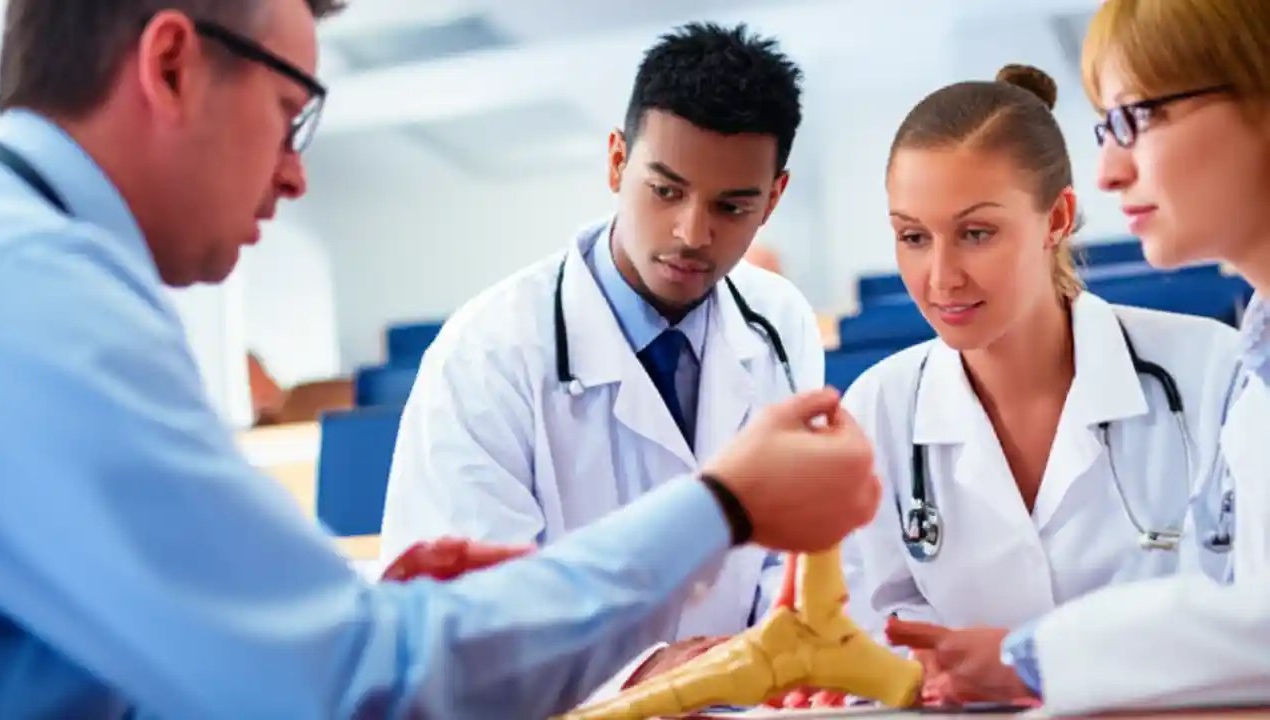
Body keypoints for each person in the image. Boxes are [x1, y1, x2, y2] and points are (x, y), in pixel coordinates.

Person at [0, 1, 885, 717]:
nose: (297, 176)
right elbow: (357, 682)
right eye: (288, 117)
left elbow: (131, 672)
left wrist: (397, 620)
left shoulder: (37, 276)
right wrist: (721, 505)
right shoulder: (39, 298)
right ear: (173, 64)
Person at [379, 22, 823, 646]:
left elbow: (790, 556)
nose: (692, 233)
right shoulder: (486, 354)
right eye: (666, 191)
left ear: (773, 198)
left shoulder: (782, 323)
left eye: (732, 207)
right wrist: (642, 679)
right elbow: (469, 618)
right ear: (617, 162)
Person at [889, 0, 1270, 713]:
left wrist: (1034, 656)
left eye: (1139, 118)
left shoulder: (1221, 371)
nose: (1110, 172)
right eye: (912, 236)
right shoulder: (1260, 368)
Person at [843, 62, 1238, 636]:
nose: (940, 277)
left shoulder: (1211, 373)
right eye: (913, 237)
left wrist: (1032, 668)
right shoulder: (877, 408)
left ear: (1057, 218)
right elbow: (869, 632)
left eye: (976, 234)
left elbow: (1249, 623)